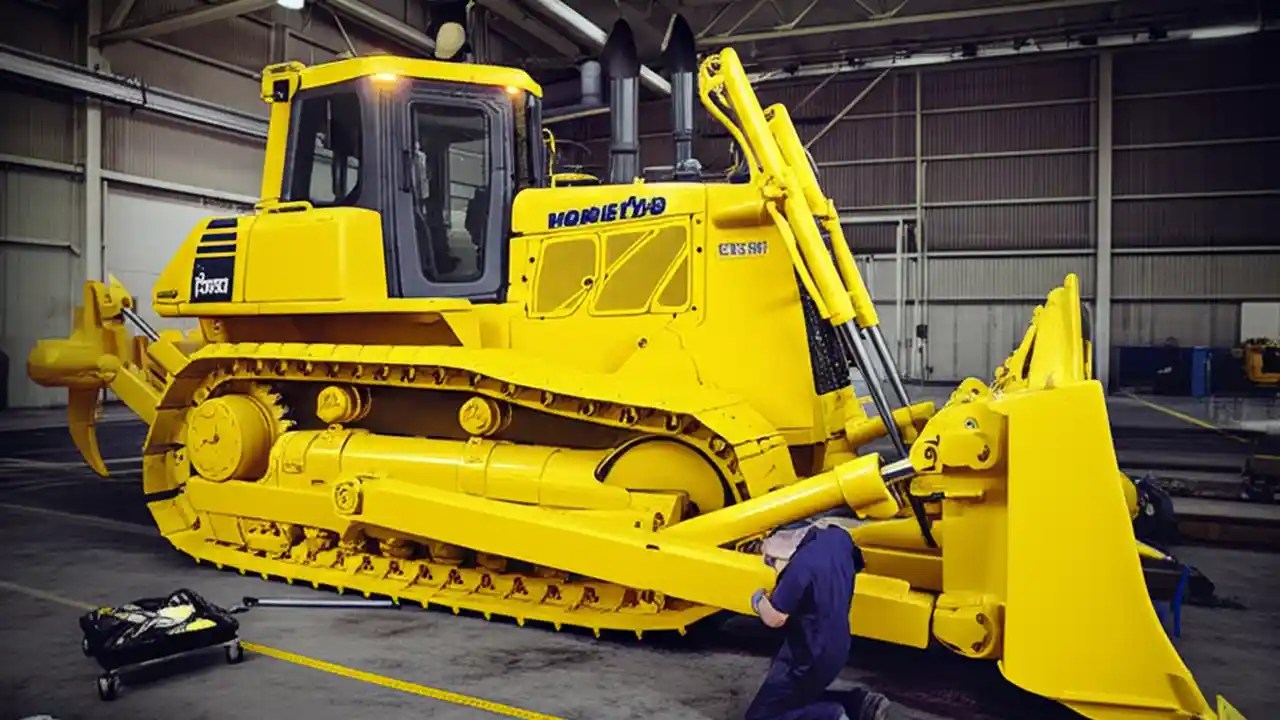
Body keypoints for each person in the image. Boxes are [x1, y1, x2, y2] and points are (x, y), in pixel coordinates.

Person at [745, 520, 892, 720]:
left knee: (760, 716)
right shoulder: (838, 538)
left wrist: (758, 600)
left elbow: (775, 618)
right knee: (797, 696)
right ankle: (861, 705)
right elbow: (856, 563)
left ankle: (831, 716)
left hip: (807, 656)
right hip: (839, 647)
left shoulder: (800, 567)